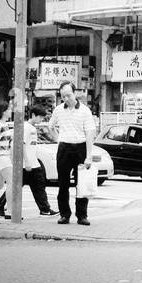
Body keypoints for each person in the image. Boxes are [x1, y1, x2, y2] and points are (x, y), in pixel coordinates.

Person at [47, 81, 96, 225]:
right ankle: (64, 215)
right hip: (64, 148)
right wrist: (59, 140)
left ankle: (82, 215)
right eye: (63, 96)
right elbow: (50, 126)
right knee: (63, 184)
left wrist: (88, 155)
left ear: (75, 93)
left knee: (82, 184)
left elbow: (90, 134)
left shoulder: (85, 111)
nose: (66, 99)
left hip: (80, 147)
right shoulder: (58, 110)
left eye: (68, 95)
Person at [0, 106, 57, 217]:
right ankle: (0, 205)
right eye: (40, 118)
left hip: (33, 164)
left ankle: (45, 209)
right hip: (26, 165)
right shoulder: (26, 127)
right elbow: (21, 144)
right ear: (33, 115)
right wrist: (27, 162)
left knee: (37, 186)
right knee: (17, 187)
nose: (41, 120)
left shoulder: (31, 128)